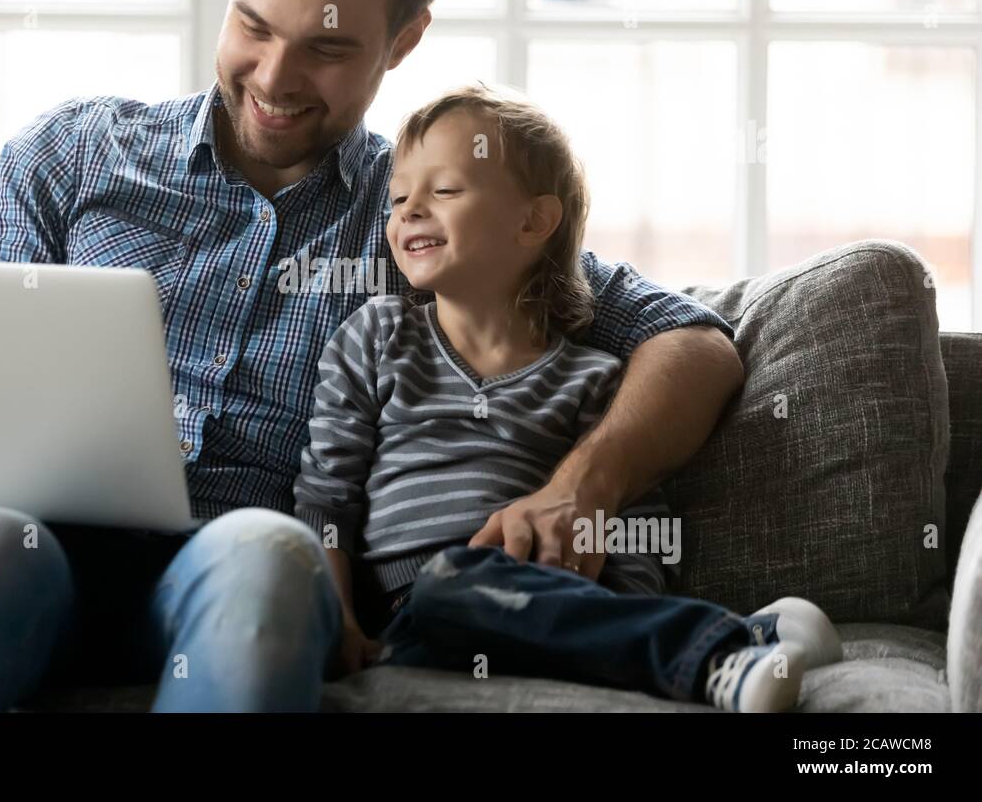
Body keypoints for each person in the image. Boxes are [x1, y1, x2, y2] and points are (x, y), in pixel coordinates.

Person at [0, 0, 747, 713]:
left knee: (266, 550)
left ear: (404, 40)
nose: (273, 77)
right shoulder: (74, 157)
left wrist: (583, 486)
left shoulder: (426, 218)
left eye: (327, 47)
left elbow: (692, 343)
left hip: (241, 570)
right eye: (252, 26)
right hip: (30, 555)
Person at [293, 84, 843, 711]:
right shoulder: (375, 335)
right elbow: (325, 498)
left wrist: (625, 604)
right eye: (398, 197)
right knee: (443, 589)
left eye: (444, 190)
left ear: (534, 220)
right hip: (411, 622)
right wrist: (339, 622)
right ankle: (745, 637)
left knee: (453, 577)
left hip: (531, 591)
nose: (410, 209)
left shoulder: (593, 377)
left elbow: (634, 521)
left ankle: (715, 659)